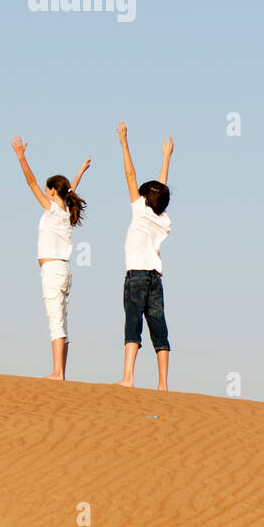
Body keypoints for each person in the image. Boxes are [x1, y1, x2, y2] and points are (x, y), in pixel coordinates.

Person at [10, 137, 90, 380]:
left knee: (55, 319)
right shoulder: (66, 211)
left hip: (54, 271)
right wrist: (80, 171)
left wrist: (21, 158)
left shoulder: (54, 209)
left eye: (48, 189)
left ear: (53, 191)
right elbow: (71, 188)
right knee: (61, 318)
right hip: (63, 270)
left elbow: (31, 182)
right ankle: (60, 371)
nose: (45, 192)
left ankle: (57, 373)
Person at [115, 123, 174, 390]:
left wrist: (124, 142)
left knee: (133, 325)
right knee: (159, 328)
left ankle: (128, 377)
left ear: (144, 199)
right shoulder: (163, 220)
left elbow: (129, 175)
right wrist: (166, 158)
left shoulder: (140, 211)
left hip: (136, 276)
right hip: (156, 279)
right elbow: (160, 189)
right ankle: (163, 384)